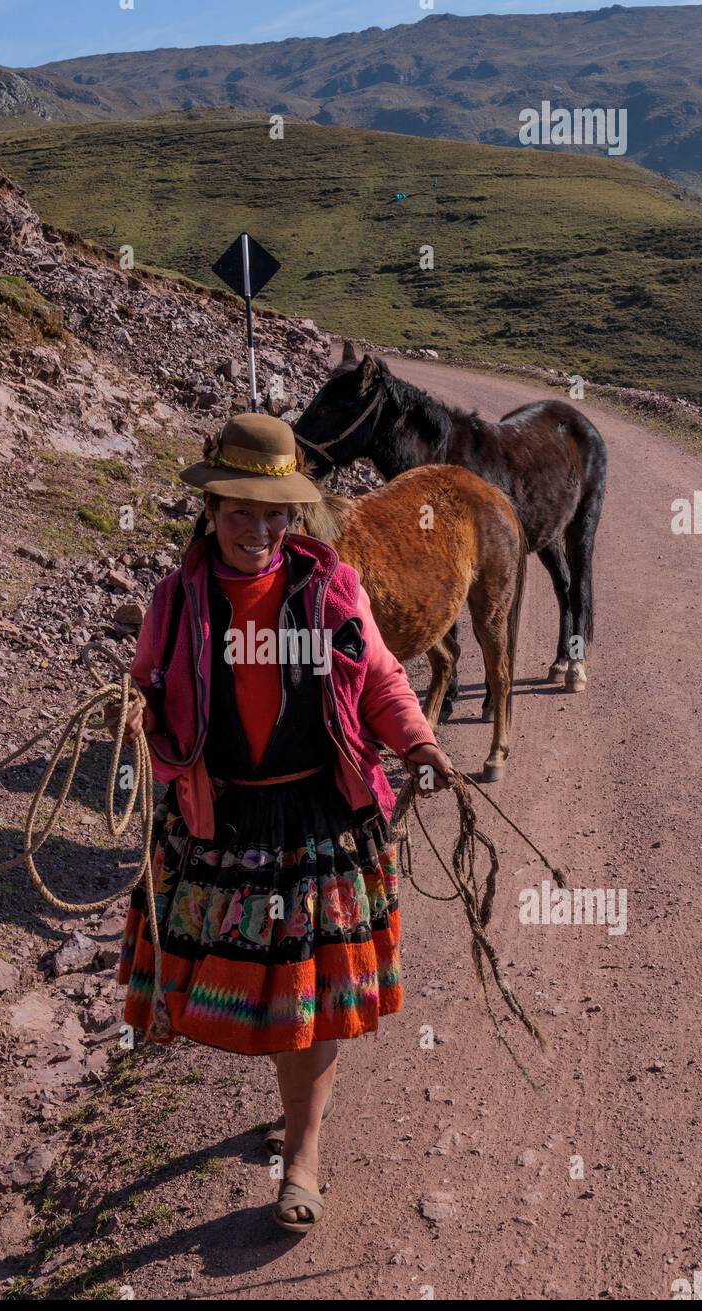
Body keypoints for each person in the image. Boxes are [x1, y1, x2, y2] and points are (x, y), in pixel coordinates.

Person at [104, 412, 453, 1232]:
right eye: (240, 513)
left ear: (294, 516)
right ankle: (296, 1108)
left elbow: (378, 677)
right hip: (218, 815)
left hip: (316, 813)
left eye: (275, 514)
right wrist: (131, 711)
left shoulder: (331, 590)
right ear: (210, 511)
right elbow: (148, 686)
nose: (258, 530)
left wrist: (417, 741)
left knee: (309, 996)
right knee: (249, 995)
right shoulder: (178, 597)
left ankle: (301, 1156)